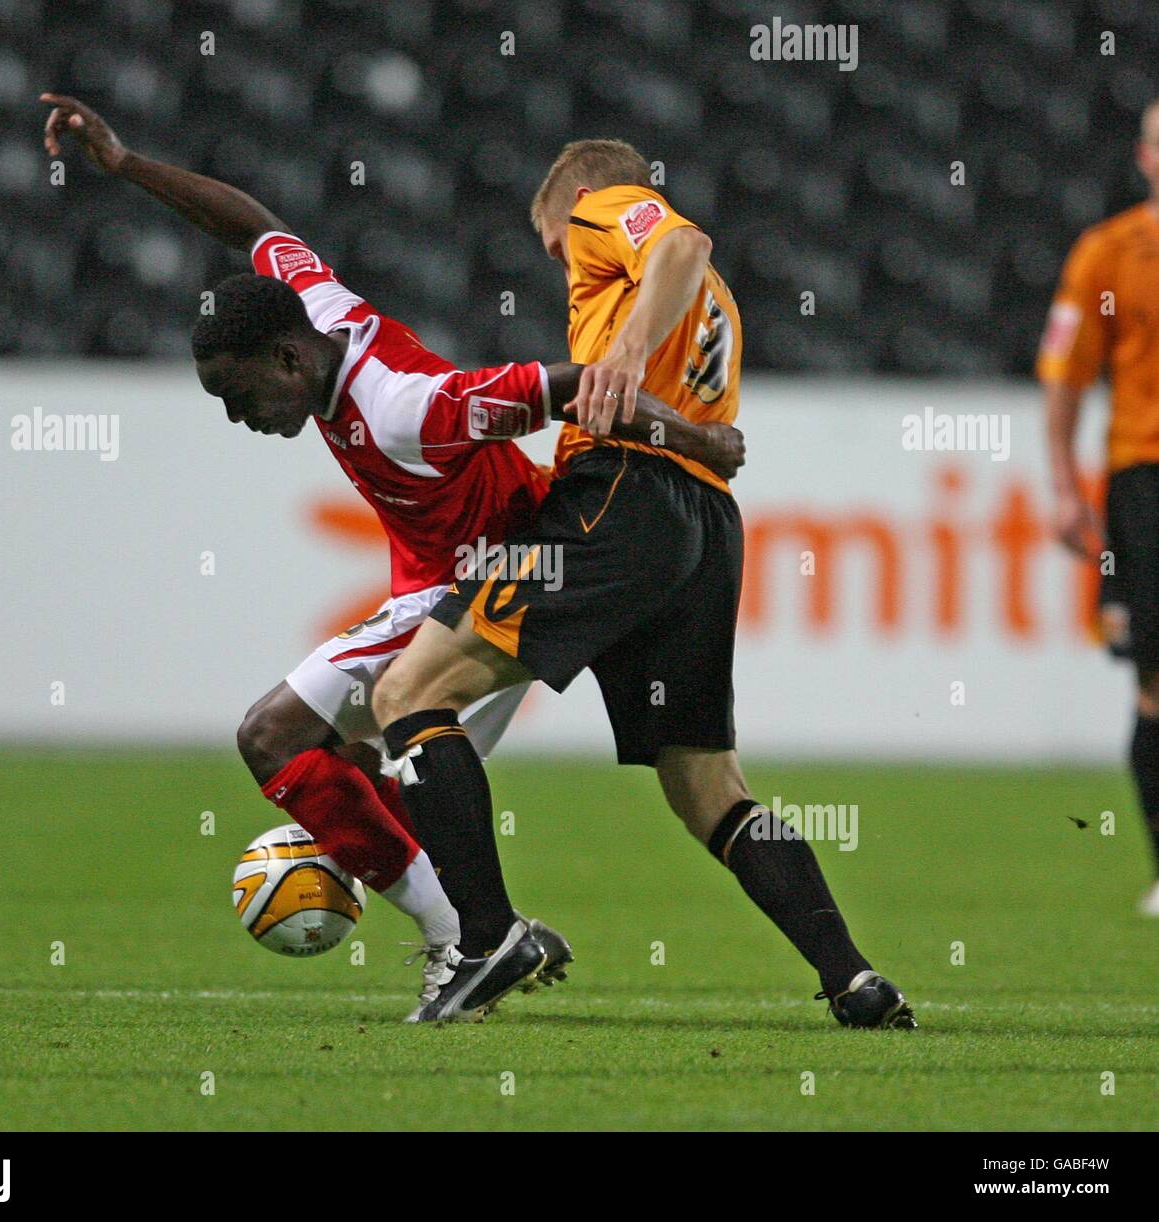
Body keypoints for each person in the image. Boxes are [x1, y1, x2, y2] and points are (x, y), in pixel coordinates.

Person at [39, 97, 746, 1015]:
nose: (236, 415)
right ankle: (478, 933)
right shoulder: (317, 307)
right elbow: (253, 224)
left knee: (272, 735)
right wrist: (128, 164)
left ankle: (466, 939)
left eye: (235, 390)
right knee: (373, 781)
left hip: (488, 579)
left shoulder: (406, 408)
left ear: (289, 362)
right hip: (447, 578)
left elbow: (565, 387)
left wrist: (692, 438)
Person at [373, 139, 916, 1027]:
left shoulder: (605, 209)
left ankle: (485, 940)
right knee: (705, 782)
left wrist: (621, 351)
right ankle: (853, 979)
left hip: (618, 497)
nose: (566, 268)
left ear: (581, 195)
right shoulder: (717, 312)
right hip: (703, 526)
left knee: (410, 689)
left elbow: (680, 245)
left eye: (556, 248)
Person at [1038, 99, 1159, 916]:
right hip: (1145, 477)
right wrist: (1061, 484)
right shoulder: (1109, 252)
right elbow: (1067, 375)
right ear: (1146, 157)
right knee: (1155, 678)